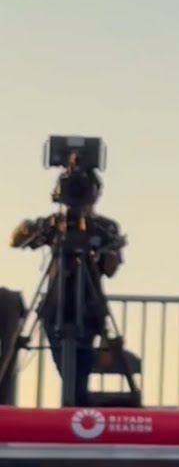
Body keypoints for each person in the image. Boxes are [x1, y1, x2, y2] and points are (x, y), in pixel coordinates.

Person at [10, 170, 125, 407]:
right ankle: (77, 406)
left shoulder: (104, 228)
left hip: (88, 308)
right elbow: (17, 241)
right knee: (67, 372)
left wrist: (109, 251)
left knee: (78, 375)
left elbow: (111, 268)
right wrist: (26, 229)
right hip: (55, 307)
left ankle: (77, 409)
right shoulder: (54, 225)